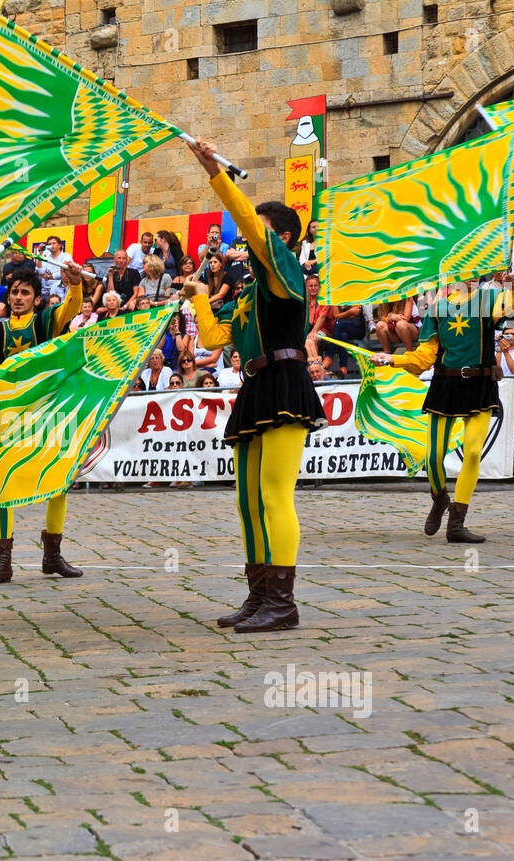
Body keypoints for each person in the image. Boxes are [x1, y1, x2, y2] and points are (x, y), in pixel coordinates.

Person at [185, 138, 326, 633]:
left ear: (284, 239)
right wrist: (201, 296)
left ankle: (282, 604)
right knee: (247, 500)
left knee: (273, 495)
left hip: (285, 380)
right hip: (254, 385)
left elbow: (246, 222)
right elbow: (214, 337)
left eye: (261, 234)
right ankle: (258, 595)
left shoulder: (283, 267)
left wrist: (214, 172)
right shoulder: (250, 290)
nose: (249, 241)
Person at [0, 262, 87, 587]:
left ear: (35, 298)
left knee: (60, 478)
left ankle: (52, 555)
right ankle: (3, 563)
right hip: (9, 415)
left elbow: (70, 309)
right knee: (2, 481)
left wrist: (75, 285)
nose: (18, 297)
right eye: (14, 292)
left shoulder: (47, 321)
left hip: (47, 410)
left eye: (25, 292)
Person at [372, 284, 505, 543]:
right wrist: (393, 360)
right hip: (445, 385)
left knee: (474, 452)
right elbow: (424, 357)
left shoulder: (491, 298)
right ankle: (440, 498)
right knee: (433, 458)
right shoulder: (436, 308)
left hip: (480, 385)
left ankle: (457, 522)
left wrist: (509, 282)